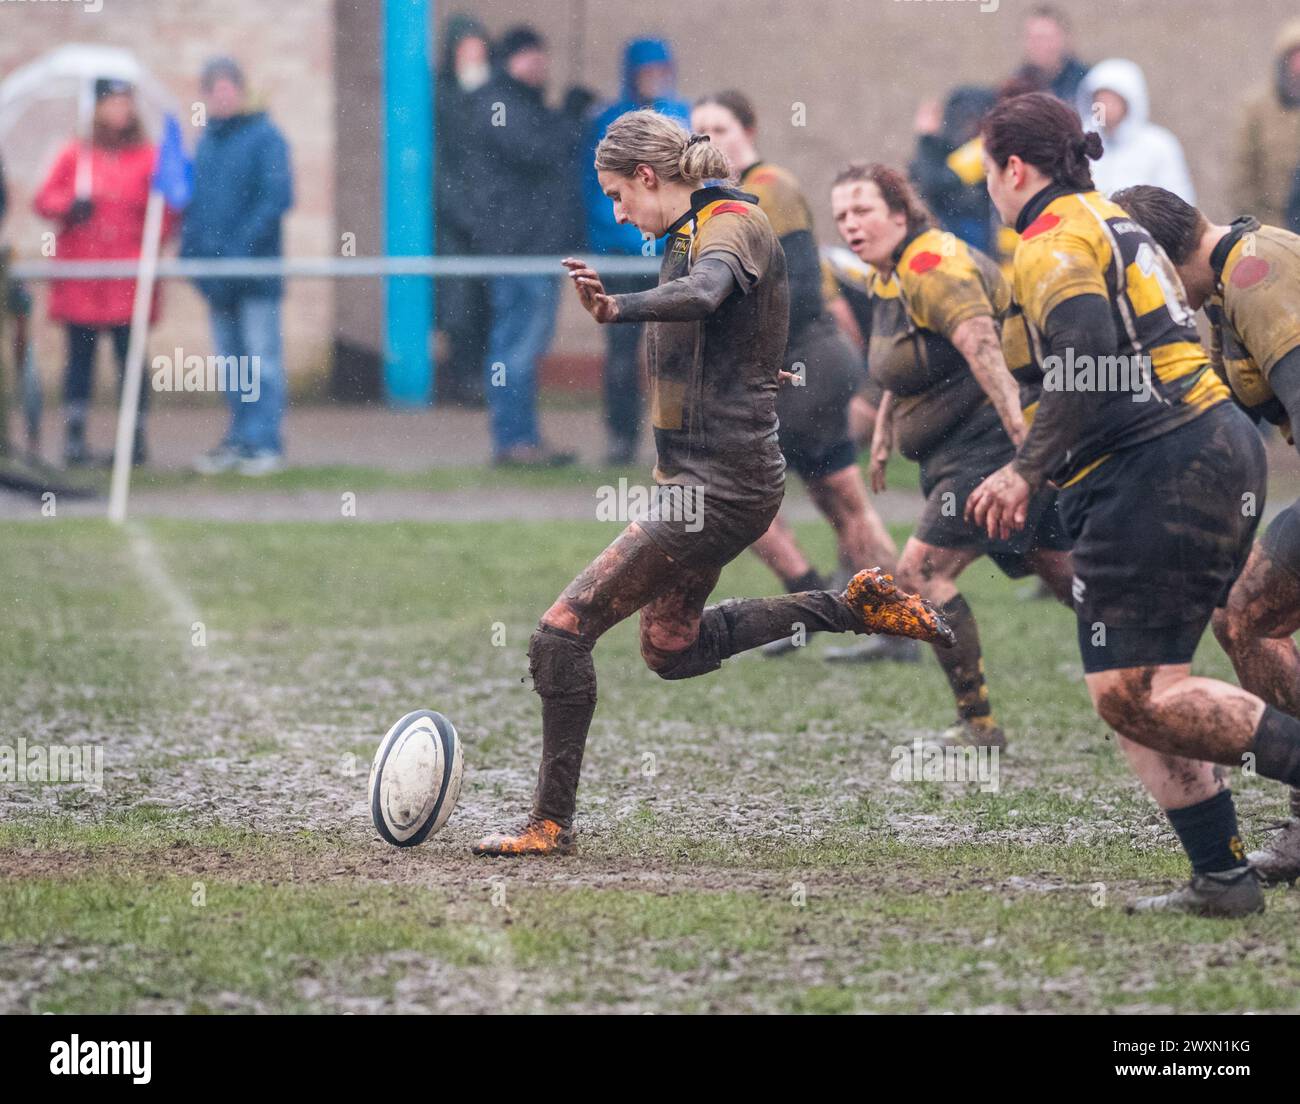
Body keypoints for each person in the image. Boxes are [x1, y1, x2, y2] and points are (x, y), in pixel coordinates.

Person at [471, 112, 954, 857]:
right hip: (708, 480)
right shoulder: (694, 229)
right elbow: (725, 323)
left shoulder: (729, 224)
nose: (616, 211)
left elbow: (704, 295)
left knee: (558, 636)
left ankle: (548, 823)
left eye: (616, 194)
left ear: (648, 177)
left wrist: (616, 308)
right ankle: (849, 605)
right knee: (671, 645)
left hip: (713, 490)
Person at [967, 92, 1300, 916]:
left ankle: (1228, 864)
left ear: (1015, 169)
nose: (983, 188)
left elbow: (1083, 353)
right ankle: (1220, 877)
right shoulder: (1107, 222)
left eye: (985, 171)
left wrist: (1024, 471)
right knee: (1129, 688)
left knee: (1141, 688)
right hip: (1193, 453)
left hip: (1161, 465)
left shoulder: (1055, 239)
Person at [833, 162, 1073, 746]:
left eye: (862, 211)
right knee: (1072, 577)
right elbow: (909, 360)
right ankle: (1160, 663)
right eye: (841, 215)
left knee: (920, 574)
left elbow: (982, 345)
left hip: (988, 452)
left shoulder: (930, 263)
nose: (850, 225)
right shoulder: (889, 274)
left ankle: (979, 723)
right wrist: (887, 432)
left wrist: (1023, 445)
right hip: (962, 455)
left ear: (899, 212)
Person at [1113, 184, 1300, 886]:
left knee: (1248, 617)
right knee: (1245, 616)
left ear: (1158, 260)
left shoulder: (1257, 278)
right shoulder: (1232, 283)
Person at [690, 91, 916, 664]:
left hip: (801, 365)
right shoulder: (723, 203)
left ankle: (807, 598)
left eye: (721, 126)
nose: (710, 138)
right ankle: (893, 626)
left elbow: (800, 293)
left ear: (750, 130)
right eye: (700, 130)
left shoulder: (770, 188)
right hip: (805, 363)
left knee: (718, 490)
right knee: (840, 500)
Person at [462, 26, 588, 467]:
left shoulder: (524, 105)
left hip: (536, 250)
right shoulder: (498, 104)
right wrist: (571, 116)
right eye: (526, 56)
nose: (537, 64)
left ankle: (524, 439)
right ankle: (513, 441)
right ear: (507, 60)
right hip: (518, 252)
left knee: (525, 350)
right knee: (515, 350)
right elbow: (539, 150)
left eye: (541, 55)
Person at [34, 78, 173, 467]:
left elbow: (165, 211)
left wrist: (148, 241)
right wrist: (69, 206)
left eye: (125, 103)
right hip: (83, 276)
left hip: (127, 277)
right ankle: (75, 435)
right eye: (112, 103)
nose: (120, 111)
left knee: (130, 357)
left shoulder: (148, 156)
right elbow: (43, 199)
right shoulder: (74, 156)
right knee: (80, 358)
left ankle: (135, 436)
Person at [183, 57, 293, 476]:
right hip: (217, 280)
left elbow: (276, 199)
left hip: (256, 277)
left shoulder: (266, 138)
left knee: (262, 361)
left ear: (242, 92)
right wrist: (195, 259)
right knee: (233, 364)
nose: (223, 96)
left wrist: (238, 252)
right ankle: (240, 437)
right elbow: (196, 208)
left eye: (230, 88)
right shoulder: (206, 144)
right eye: (215, 90)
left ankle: (265, 442)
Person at [583, 39, 690, 465]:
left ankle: (680, 441)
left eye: (661, 68)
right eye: (647, 69)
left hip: (672, 255)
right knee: (622, 354)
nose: (655, 77)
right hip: (623, 258)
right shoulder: (608, 122)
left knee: (678, 350)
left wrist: (668, 239)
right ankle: (621, 438)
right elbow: (598, 191)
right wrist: (635, 238)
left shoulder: (681, 117)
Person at [434, 14, 493, 408]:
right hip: (457, 226)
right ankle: (462, 380)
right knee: (460, 308)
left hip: (490, 224)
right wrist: (464, 214)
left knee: (488, 305)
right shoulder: (441, 99)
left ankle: (482, 382)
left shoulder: (493, 99)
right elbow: (442, 167)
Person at [1078, 59, 1195, 202]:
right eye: (1100, 100)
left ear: (1129, 103)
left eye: (1112, 101)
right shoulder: (1079, 141)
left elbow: (1178, 198)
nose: (1105, 107)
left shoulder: (1159, 145)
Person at [909, 86, 997, 255]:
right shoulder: (951, 148)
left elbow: (935, 182)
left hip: (976, 235)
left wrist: (926, 138)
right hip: (957, 231)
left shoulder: (984, 147)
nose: (964, 126)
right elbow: (919, 177)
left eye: (970, 118)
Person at [1233, 18, 1300, 230]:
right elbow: (1242, 171)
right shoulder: (1257, 109)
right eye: (1294, 57)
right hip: (1273, 223)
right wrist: (1258, 225)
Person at [1012, 6, 1089, 106]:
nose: (1039, 45)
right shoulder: (1015, 86)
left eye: (1046, 38)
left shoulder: (1086, 83)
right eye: (1033, 38)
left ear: (1065, 39)